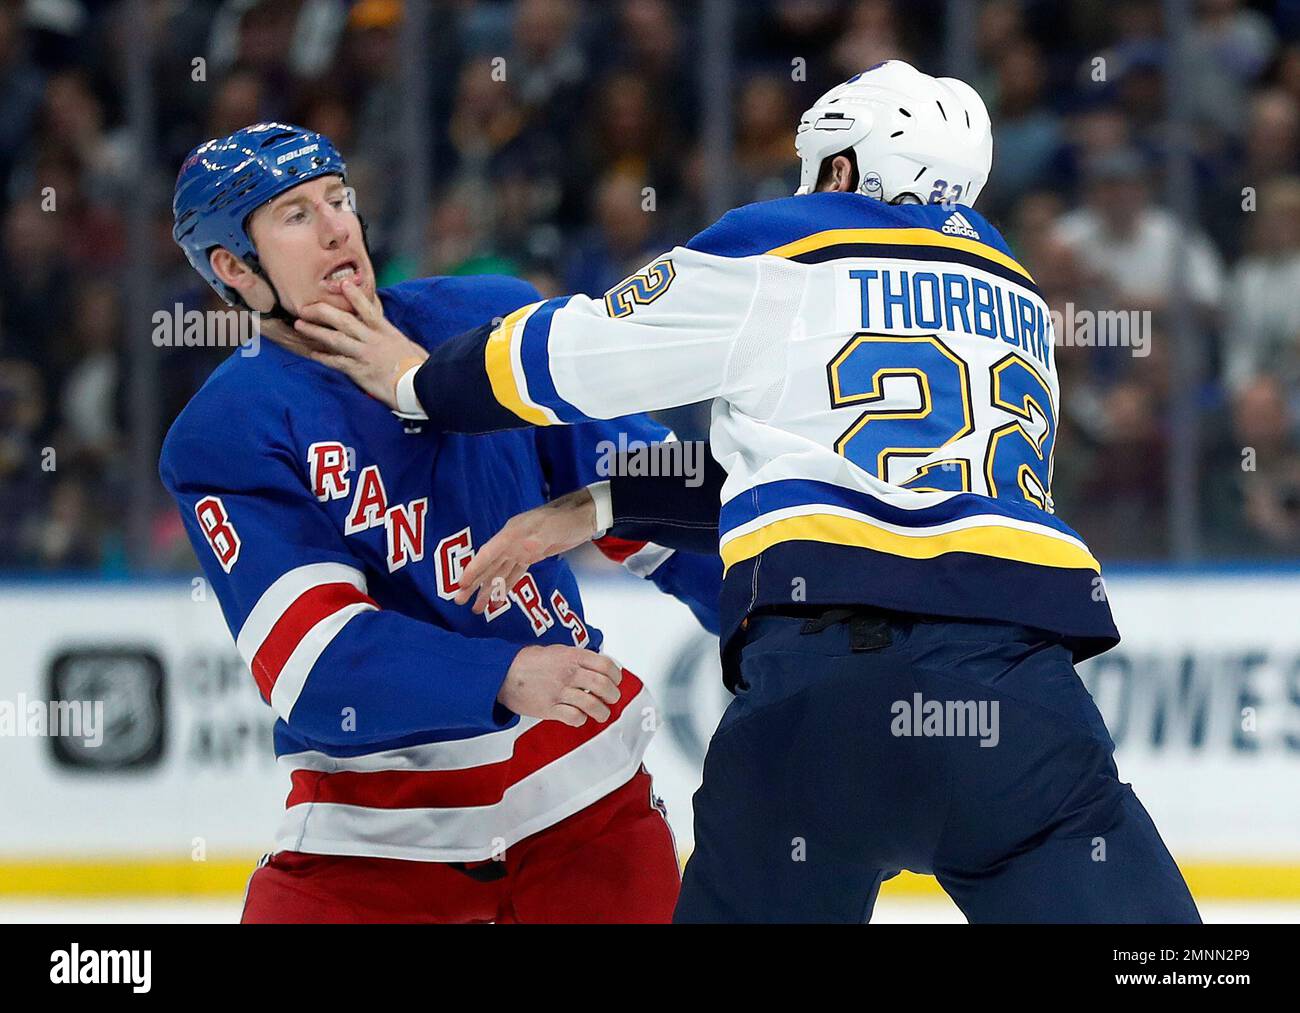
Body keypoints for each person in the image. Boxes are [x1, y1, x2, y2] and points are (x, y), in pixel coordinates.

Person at [274, 63, 1201, 924]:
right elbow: (822, 472)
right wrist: (599, 505)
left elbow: (573, 357)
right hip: (1024, 709)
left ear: (842, 162)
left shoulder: (788, 241)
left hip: (824, 700)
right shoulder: (1018, 293)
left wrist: (415, 380)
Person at [161, 123, 722, 923]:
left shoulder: (488, 320)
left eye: (337, 198)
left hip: (581, 800)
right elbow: (314, 666)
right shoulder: (228, 430)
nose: (335, 228)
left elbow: (656, 494)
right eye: (294, 213)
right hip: (370, 839)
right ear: (233, 268)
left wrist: (763, 624)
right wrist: (503, 673)